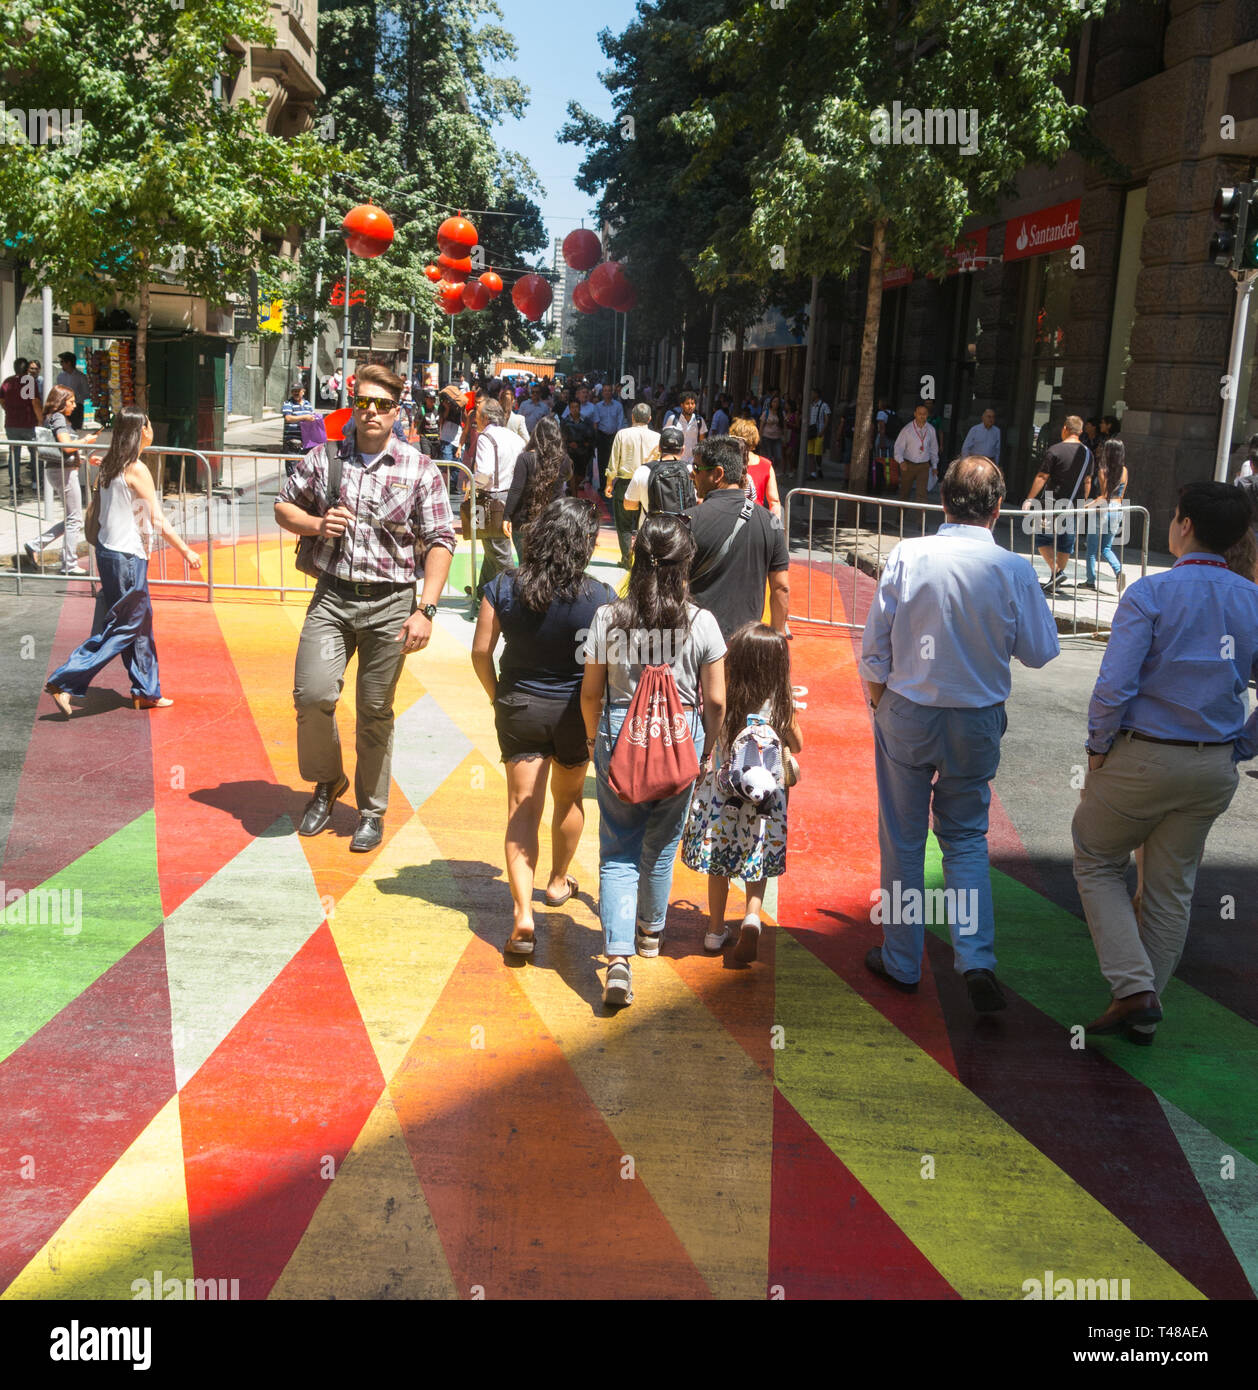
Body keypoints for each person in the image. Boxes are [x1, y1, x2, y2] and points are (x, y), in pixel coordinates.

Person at [859, 456, 1061, 1010]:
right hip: (976, 719)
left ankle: (902, 961)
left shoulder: (908, 554)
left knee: (902, 840)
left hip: (907, 709)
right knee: (967, 837)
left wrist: (881, 706)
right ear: (998, 508)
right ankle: (975, 957)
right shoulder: (1014, 569)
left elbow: (874, 649)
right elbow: (1041, 652)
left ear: (942, 499)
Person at [1073, 482, 1258, 1044]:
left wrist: (1098, 749)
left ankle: (1133, 990)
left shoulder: (1151, 594)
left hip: (1143, 756)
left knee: (1096, 857)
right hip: (1212, 768)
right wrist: (1241, 747)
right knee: (1171, 887)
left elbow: (1114, 686)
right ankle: (1143, 1011)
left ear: (1181, 524)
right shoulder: (1251, 598)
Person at [275, 363, 455, 853]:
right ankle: (327, 782)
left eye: (381, 404)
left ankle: (372, 811)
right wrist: (315, 525)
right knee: (311, 696)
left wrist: (427, 609)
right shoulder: (325, 458)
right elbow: (283, 506)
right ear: (353, 406)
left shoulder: (419, 469)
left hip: (392, 605)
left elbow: (440, 539)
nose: (371, 412)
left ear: (397, 411)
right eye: (363, 403)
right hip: (332, 597)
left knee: (375, 710)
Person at [579, 514, 727, 1007]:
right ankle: (649, 935)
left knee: (618, 847)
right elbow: (718, 700)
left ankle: (616, 958)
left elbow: (591, 693)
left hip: (619, 732)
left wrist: (591, 743)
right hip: (680, 736)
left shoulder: (607, 618)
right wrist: (706, 750)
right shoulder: (702, 623)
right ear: (686, 565)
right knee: (661, 846)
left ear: (636, 559)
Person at [471, 498, 613, 956]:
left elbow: (479, 652)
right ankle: (555, 883)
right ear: (583, 545)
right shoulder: (601, 597)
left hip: (519, 708)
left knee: (521, 809)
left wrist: (498, 696)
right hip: (576, 711)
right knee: (568, 799)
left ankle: (522, 915)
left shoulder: (503, 586)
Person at [43, 407, 202, 717]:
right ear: (142, 431)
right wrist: (186, 550)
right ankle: (66, 679)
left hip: (109, 553)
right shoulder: (135, 468)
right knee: (127, 626)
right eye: (150, 424)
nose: (152, 428)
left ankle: (146, 691)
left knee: (139, 623)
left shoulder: (112, 464)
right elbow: (156, 518)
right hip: (127, 557)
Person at [681, 622, 801, 963]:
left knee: (720, 862)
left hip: (724, 798)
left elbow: (711, 730)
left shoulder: (728, 697)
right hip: (766, 804)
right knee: (756, 857)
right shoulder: (780, 704)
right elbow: (799, 743)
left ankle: (714, 931)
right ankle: (751, 915)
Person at [686, 436, 789, 639]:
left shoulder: (688, 520)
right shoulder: (770, 522)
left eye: (697, 468)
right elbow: (781, 587)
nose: (692, 475)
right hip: (746, 642)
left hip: (698, 640)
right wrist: (777, 637)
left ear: (717, 474)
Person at [28, 385, 100, 574]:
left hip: (61, 469)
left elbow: (61, 450)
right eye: (70, 401)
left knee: (72, 518)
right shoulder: (58, 417)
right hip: (63, 472)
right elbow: (66, 446)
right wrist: (86, 441)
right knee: (74, 519)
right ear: (61, 402)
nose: (74, 405)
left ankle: (36, 545)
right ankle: (68, 563)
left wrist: (83, 458)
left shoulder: (53, 417)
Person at [1023, 415, 1093, 594]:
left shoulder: (1055, 450)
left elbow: (1042, 476)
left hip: (1051, 502)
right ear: (1080, 432)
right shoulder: (1087, 454)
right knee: (1065, 542)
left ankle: (1057, 571)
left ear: (1065, 429)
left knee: (1042, 537)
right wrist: (1083, 503)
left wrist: (1030, 498)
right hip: (1074, 504)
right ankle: (1056, 580)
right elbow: (1087, 481)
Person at [471, 398, 527, 596]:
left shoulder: (486, 438)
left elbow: (485, 472)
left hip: (492, 498)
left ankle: (514, 596)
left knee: (499, 552)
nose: (474, 418)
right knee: (494, 547)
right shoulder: (515, 438)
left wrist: (472, 485)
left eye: (476, 414)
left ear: (485, 417)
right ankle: (482, 591)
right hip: (516, 498)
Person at [504, 415, 573, 560]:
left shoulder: (525, 458)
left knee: (525, 564)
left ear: (536, 434)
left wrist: (507, 516)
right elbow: (567, 478)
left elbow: (516, 490)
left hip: (525, 520)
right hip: (554, 519)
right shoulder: (564, 459)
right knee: (547, 565)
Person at [604, 401, 661, 566]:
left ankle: (626, 558)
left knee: (624, 524)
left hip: (625, 484)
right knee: (646, 522)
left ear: (633, 417)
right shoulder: (657, 437)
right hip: (649, 484)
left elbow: (614, 461)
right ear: (650, 418)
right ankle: (643, 559)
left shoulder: (622, 434)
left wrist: (609, 482)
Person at [1080, 437, 1128, 593]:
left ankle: (1090, 581)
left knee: (1092, 549)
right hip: (1118, 509)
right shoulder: (1124, 471)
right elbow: (1119, 496)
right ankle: (1119, 570)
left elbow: (1104, 496)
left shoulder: (1102, 470)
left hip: (1103, 509)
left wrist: (1085, 506)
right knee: (1106, 547)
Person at [1, 356, 41, 496]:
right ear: (26, 369)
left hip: (11, 423)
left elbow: (2, 401)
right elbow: (35, 402)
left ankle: (14, 485)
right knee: (35, 454)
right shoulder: (29, 381)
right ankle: (36, 482)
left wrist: (9, 410)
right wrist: (40, 419)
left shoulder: (7, 382)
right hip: (28, 422)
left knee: (14, 454)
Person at [728, 417, 782, 520]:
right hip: (756, 519)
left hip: (730, 518)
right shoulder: (766, 465)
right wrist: (774, 529)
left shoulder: (726, 462)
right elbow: (774, 502)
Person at [892, 402, 939, 504]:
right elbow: (898, 447)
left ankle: (920, 519)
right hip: (908, 465)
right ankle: (899, 519)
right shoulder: (907, 429)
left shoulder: (931, 430)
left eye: (924, 413)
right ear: (915, 414)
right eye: (919, 413)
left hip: (924, 466)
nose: (922, 416)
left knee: (922, 495)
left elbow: (934, 449)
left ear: (928, 415)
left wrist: (934, 466)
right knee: (904, 494)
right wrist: (901, 461)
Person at [592, 382, 625, 493]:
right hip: (602, 436)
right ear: (602, 393)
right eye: (605, 391)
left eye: (609, 390)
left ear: (612, 392)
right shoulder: (598, 406)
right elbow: (596, 423)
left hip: (614, 437)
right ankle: (602, 485)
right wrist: (596, 437)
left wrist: (618, 437)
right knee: (602, 462)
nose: (607, 393)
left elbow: (620, 422)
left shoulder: (618, 406)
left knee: (613, 462)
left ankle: (611, 484)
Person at [559, 396, 597, 494]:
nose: (575, 409)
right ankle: (574, 496)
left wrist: (585, 445)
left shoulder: (587, 421)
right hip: (570, 453)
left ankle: (571, 489)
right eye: (572, 407)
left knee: (581, 476)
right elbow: (561, 437)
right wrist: (567, 445)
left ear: (580, 408)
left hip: (583, 454)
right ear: (569, 408)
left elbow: (592, 435)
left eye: (576, 407)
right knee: (572, 475)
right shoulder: (565, 422)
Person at [662, 392, 706, 463]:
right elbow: (665, 438)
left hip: (692, 461)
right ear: (681, 405)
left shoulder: (700, 421)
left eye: (693, 403)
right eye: (687, 403)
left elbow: (702, 443)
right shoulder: (673, 419)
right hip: (675, 461)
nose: (690, 406)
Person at [280, 382, 316, 464]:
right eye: (294, 391)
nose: (296, 393)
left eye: (298, 391)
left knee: (305, 468)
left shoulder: (308, 404)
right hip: (292, 442)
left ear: (303, 391)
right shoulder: (288, 404)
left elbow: (313, 417)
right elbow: (288, 418)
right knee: (293, 470)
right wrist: (304, 417)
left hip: (306, 442)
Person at [56, 352, 92, 430]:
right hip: (63, 407)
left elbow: (86, 394)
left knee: (76, 430)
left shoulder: (81, 377)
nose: (61, 364)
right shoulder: (60, 377)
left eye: (62, 362)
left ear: (68, 363)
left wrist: (75, 398)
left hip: (77, 408)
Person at [806, 389, 831, 479]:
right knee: (810, 453)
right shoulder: (810, 406)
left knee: (817, 454)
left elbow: (827, 419)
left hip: (819, 432)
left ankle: (819, 468)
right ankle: (813, 473)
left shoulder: (824, 405)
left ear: (817, 394)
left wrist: (823, 431)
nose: (811, 395)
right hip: (810, 432)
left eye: (812, 393)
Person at [758, 394, 786, 468]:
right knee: (769, 457)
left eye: (777, 402)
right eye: (774, 402)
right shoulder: (766, 413)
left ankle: (773, 469)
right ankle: (769, 471)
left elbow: (784, 426)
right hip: (766, 437)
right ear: (771, 403)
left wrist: (784, 437)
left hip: (777, 438)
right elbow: (761, 426)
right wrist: (760, 438)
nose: (775, 404)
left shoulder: (782, 413)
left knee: (778, 457)